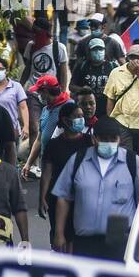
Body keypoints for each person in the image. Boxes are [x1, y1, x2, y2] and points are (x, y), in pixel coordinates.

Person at [51, 118, 139, 259]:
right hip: (85, 244)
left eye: (113, 139)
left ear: (119, 140)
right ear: (94, 139)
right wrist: (59, 233)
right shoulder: (78, 160)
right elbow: (64, 197)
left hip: (121, 243)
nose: (108, 143)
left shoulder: (132, 162)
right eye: (104, 139)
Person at [39, 101, 91, 250]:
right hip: (57, 196)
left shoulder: (89, 142)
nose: (81, 119)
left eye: (82, 116)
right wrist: (42, 197)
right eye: (77, 116)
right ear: (65, 120)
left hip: (82, 195)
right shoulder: (54, 144)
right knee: (60, 235)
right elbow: (47, 172)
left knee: (76, 236)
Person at [104, 42, 139, 168]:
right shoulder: (116, 72)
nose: (135, 61)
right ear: (127, 57)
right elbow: (110, 98)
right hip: (123, 122)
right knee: (125, 159)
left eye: (138, 58)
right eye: (131, 57)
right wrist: (110, 122)